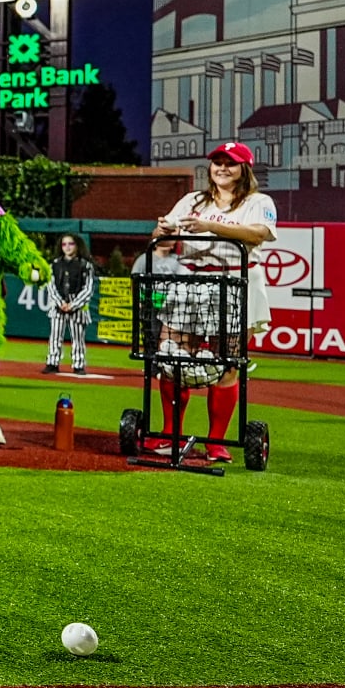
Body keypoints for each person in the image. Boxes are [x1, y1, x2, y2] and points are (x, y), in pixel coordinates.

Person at [150, 141, 277, 463]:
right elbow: (158, 235)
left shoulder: (257, 201)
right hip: (191, 280)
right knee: (172, 357)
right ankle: (170, 434)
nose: (222, 168)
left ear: (243, 168)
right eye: (217, 162)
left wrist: (210, 227)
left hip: (236, 281)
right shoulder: (193, 200)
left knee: (228, 362)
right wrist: (163, 229)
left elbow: (258, 234)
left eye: (230, 163)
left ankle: (216, 442)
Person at [43, 232, 96, 376]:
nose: (67, 247)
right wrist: (60, 302)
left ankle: (79, 364)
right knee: (55, 336)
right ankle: (52, 362)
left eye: (71, 244)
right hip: (58, 304)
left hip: (77, 305)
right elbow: (51, 286)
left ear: (77, 246)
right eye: (64, 244)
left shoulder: (86, 265)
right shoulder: (54, 264)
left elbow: (88, 289)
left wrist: (73, 304)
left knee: (78, 337)